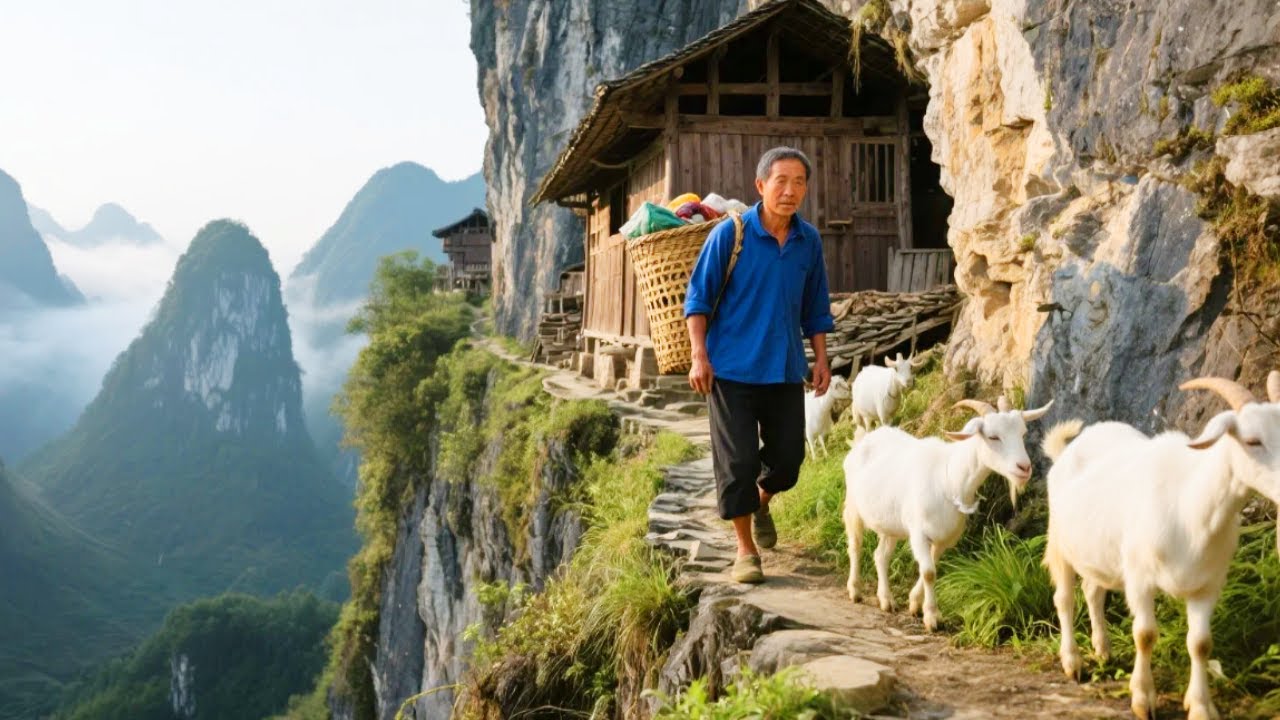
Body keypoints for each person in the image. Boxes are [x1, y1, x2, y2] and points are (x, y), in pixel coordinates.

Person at [684, 146, 834, 584]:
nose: (790, 191)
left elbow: (815, 306)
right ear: (760, 186)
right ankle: (746, 550)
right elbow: (697, 299)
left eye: (799, 182)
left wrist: (821, 357)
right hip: (730, 370)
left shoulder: (809, 241)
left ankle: (761, 500)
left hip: (785, 367)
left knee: (788, 460)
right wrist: (699, 355)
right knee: (738, 465)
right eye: (780, 181)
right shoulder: (731, 235)